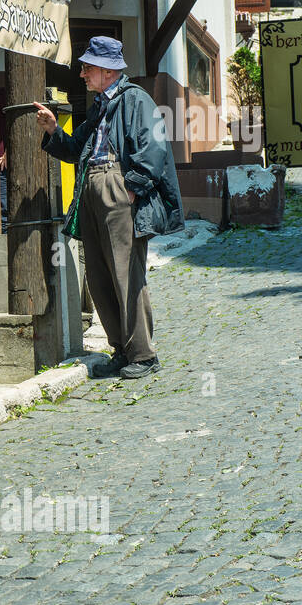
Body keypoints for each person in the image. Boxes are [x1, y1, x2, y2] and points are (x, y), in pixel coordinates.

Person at [33, 36, 184, 380]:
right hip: (92, 189)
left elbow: (153, 149)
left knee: (125, 273)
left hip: (117, 189)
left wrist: (130, 189)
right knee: (100, 276)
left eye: (87, 67)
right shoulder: (101, 106)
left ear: (106, 69)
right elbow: (75, 149)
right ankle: (121, 349)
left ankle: (143, 355)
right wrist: (54, 131)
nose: (82, 74)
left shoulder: (135, 100)